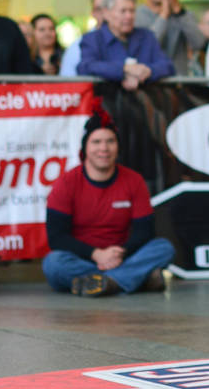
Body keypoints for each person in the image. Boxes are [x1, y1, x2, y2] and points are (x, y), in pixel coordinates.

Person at [42, 109, 174, 295]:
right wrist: (96, 254)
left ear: (118, 146)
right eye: (96, 142)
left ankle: (105, 282)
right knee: (53, 264)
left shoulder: (134, 181)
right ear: (85, 147)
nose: (104, 148)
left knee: (163, 248)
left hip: (123, 256)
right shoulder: (66, 183)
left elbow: (145, 231)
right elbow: (57, 238)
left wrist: (120, 253)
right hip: (83, 258)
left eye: (110, 141)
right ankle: (133, 280)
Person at [77, 0, 174, 87]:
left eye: (132, 11)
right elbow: (86, 66)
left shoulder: (147, 36)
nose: (129, 16)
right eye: (123, 11)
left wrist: (147, 71)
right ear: (106, 13)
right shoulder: (92, 39)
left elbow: (167, 66)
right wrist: (124, 69)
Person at [136, 0, 206, 75]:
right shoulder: (136, 15)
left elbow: (199, 43)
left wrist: (177, 8)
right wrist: (164, 14)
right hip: (150, 80)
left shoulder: (184, 14)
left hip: (179, 81)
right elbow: (149, 47)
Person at [59, 0, 106, 77]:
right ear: (92, 13)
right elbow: (67, 80)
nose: (105, 14)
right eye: (99, 9)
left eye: (109, 8)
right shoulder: (76, 47)